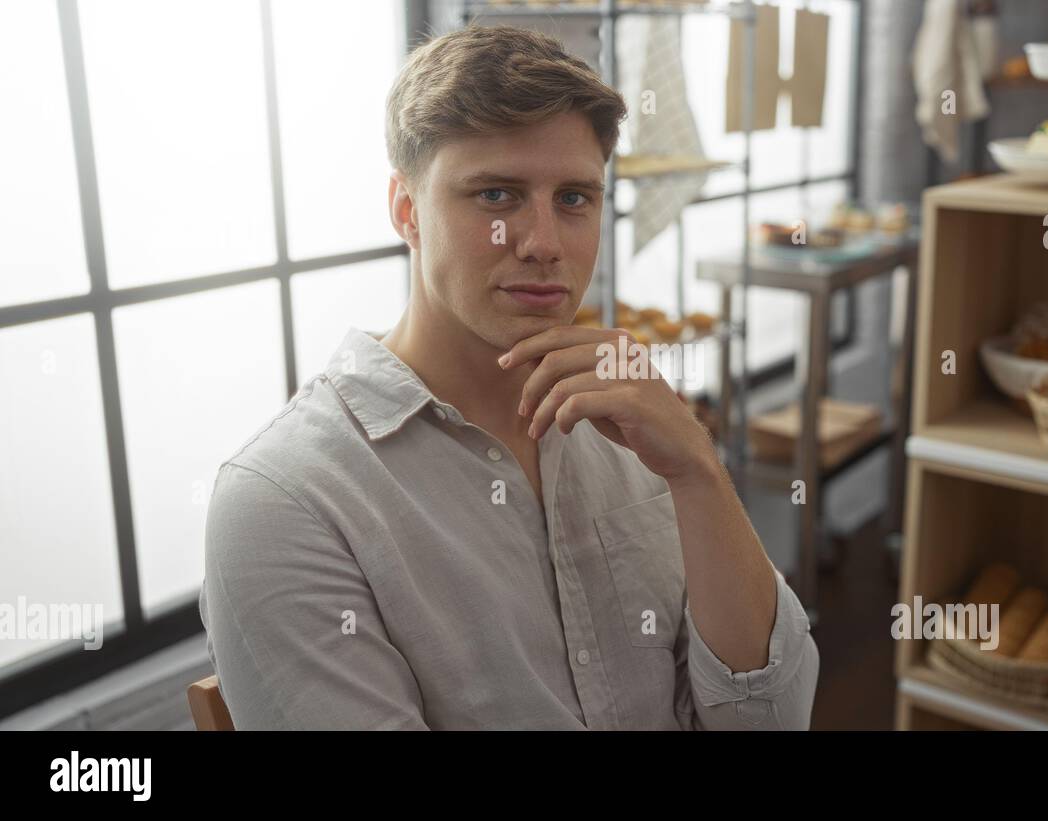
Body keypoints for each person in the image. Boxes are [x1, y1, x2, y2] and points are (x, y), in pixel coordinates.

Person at [199, 24, 818, 730]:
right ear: (407, 212)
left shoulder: (635, 427)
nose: (544, 244)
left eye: (574, 199)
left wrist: (699, 472)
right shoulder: (287, 500)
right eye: (496, 196)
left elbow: (770, 720)